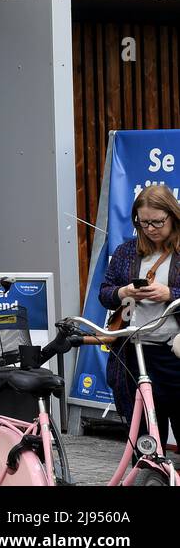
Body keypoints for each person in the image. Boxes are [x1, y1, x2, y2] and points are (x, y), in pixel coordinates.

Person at [99, 184, 180, 450]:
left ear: (173, 215)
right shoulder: (126, 251)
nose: (150, 229)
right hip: (133, 352)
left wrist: (170, 293)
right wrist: (124, 291)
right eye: (143, 223)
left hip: (174, 352)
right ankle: (148, 474)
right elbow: (105, 292)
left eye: (157, 222)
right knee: (143, 434)